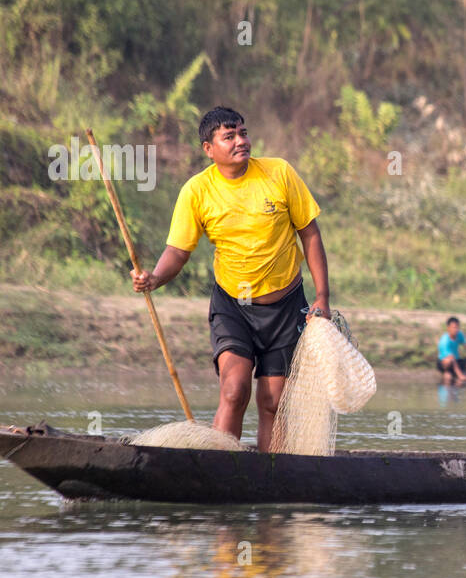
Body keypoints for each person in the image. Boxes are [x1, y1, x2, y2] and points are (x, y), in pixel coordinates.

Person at [131, 107, 332, 451]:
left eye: (244, 133)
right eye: (230, 136)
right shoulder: (197, 191)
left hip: (287, 309)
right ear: (209, 148)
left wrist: (323, 297)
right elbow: (178, 252)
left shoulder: (279, 173)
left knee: (273, 401)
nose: (241, 141)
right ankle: (218, 466)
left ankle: (270, 478)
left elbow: (309, 234)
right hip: (233, 307)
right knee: (235, 389)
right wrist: (154, 278)